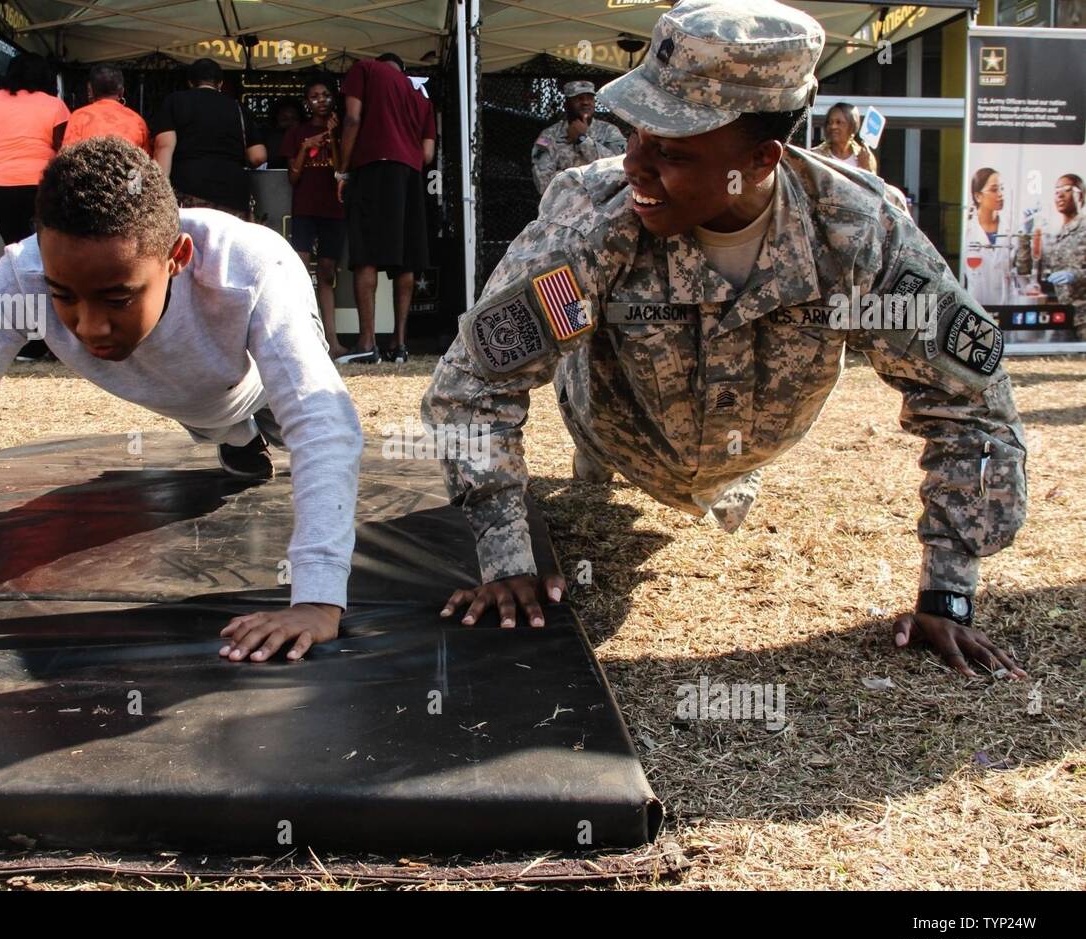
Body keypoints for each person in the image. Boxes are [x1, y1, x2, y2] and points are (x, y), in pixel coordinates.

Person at [422, 0, 1029, 683]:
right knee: (598, 493)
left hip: (744, 450)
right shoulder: (594, 221)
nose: (636, 167)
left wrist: (947, 591)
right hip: (609, 426)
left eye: (672, 152)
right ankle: (602, 471)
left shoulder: (858, 236)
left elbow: (972, 404)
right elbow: (472, 386)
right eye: (633, 134)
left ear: (763, 157)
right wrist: (507, 560)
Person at [0, 137, 362, 664]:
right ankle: (233, 436)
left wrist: (316, 600)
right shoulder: (22, 276)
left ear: (177, 257)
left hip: (250, 381)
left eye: (117, 297)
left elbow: (322, 421)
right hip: (187, 399)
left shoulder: (250, 269)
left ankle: (243, 431)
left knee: (278, 423)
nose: (90, 327)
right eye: (64, 298)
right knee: (210, 420)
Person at [0, 51, 70, 362]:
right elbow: (64, 149)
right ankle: (54, 339)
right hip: (42, 187)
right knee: (48, 260)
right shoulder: (54, 105)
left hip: (2, 185)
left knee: (19, 261)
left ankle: (29, 338)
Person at [336, 52, 437, 365]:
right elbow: (427, 154)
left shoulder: (365, 69)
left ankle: (367, 342)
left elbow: (352, 118)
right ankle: (400, 344)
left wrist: (342, 170)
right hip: (410, 175)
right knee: (406, 259)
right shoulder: (419, 96)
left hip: (374, 167)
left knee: (365, 250)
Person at [152, 58, 266, 217]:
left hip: (188, 190)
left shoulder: (175, 102)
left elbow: (164, 146)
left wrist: (158, 194)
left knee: (192, 241)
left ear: (190, 82)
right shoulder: (238, 108)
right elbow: (258, 156)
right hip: (233, 194)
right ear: (220, 84)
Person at [282, 78, 347, 359]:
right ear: (307, 102)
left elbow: (342, 168)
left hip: (334, 209)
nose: (321, 100)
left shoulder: (345, 129)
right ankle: (301, 340)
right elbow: (293, 176)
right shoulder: (297, 133)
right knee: (299, 272)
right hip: (305, 208)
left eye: (325, 94)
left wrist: (332, 137)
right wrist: (305, 145)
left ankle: (332, 341)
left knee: (327, 273)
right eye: (314, 95)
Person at [531, 80, 627, 196]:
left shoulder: (610, 131)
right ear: (566, 104)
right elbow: (543, 182)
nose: (585, 102)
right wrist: (593, 184)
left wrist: (582, 139)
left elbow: (619, 169)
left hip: (603, 206)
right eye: (579, 98)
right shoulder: (549, 135)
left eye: (590, 98)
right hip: (564, 208)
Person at [62, 65, 151, 154]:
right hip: (128, 167)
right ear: (121, 92)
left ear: (91, 91)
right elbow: (146, 160)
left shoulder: (79, 116)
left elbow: (66, 156)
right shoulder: (137, 120)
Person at [1042, 173, 1086, 340]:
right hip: (1059, 316)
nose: (1059, 194)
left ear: (1080, 194)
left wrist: (1074, 275)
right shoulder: (1054, 234)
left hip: (1083, 318)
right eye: (1056, 190)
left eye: (1066, 189)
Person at [964, 167, 1013, 307]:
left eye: (1002, 189)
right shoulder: (967, 231)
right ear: (978, 196)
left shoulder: (1011, 229)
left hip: (1007, 309)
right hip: (976, 309)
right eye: (994, 189)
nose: (1000, 194)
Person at [811, 102, 876, 173]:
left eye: (838, 122)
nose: (833, 126)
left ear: (852, 126)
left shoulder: (865, 157)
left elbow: (874, 183)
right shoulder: (815, 156)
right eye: (830, 122)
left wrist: (865, 168)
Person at [266, 97, 305, 169]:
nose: (289, 122)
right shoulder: (270, 138)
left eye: (294, 119)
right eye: (284, 119)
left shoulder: (305, 138)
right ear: (276, 119)